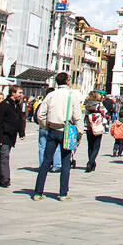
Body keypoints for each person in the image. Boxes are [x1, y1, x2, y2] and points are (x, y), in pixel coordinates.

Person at [32, 72, 83, 202]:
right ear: (67, 81)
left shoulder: (50, 95)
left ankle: (38, 192)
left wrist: (45, 126)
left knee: (46, 161)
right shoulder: (72, 95)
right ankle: (63, 193)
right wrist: (80, 133)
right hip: (66, 131)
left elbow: (40, 115)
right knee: (66, 161)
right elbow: (77, 116)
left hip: (52, 129)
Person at [0, 86, 26, 187]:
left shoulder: (16, 105)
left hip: (12, 135)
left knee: (3, 156)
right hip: (4, 134)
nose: (21, 95)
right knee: (5, 156)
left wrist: (21, 132)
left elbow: (20, 119)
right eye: (19, 93)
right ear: (13, 93)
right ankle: (5, 179)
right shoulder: (4, 105)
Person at [84, 94, 106, 172]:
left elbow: (85, 115)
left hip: (88, 127)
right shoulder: (99, 104)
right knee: (96, 146)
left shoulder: (87, 104)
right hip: (97, 127)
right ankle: (90, 163)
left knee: (90, 146)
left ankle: (92, 162)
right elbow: (104, 113)